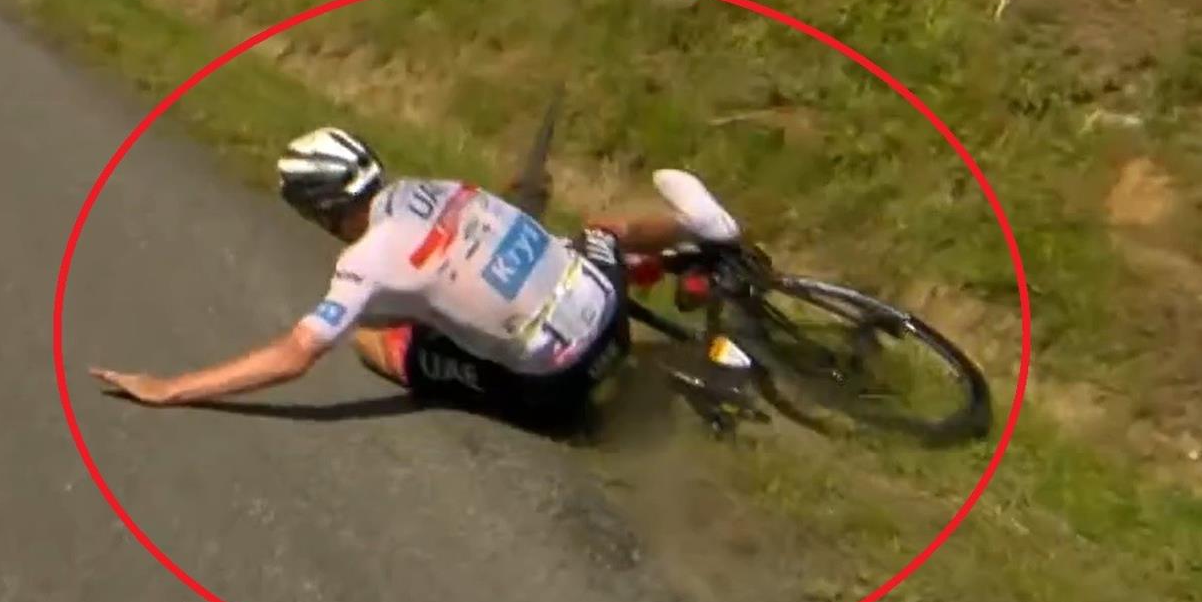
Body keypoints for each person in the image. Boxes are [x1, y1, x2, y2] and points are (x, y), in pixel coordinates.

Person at [88, 127, 742, 433]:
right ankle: (700, 233)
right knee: (605, 229)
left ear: (318, 209)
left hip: (561, 385)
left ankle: (473, 370)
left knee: (372, 340)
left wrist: (171, 389)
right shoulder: (431, 188)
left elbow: (294, 357)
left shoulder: (364, 265)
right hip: (609, 306)